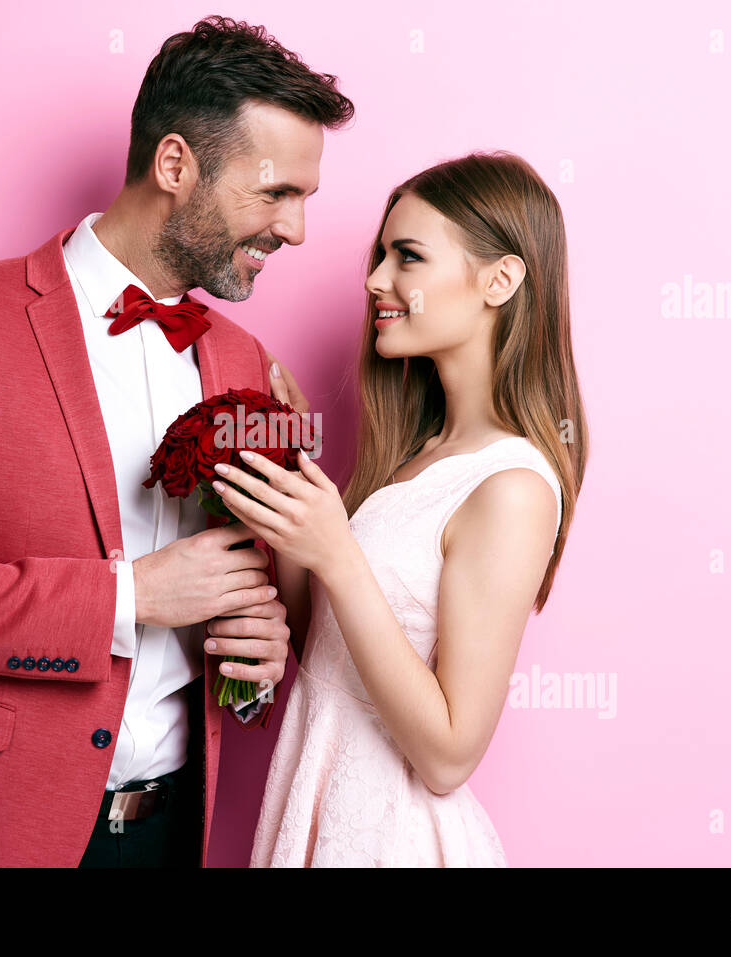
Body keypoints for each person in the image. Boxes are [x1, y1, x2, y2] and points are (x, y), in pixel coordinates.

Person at [0, 16, 354, 867]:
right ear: (175, 164)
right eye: (275, 194)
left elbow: (242, 611)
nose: (294, 231)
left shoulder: (245, 361)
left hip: (167, 833)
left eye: (304, 199)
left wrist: (255, 659)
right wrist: (129, 597)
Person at [217, 151, 589, 866]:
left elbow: (449, 755)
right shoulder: (417, 454)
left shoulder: (513, 486)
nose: (375, 280)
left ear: (500, 280)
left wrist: (337, 554)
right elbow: (324, 650)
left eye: (407, 256)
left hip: (395, 841)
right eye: (380, 254)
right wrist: (290, 478)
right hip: (316, 809)